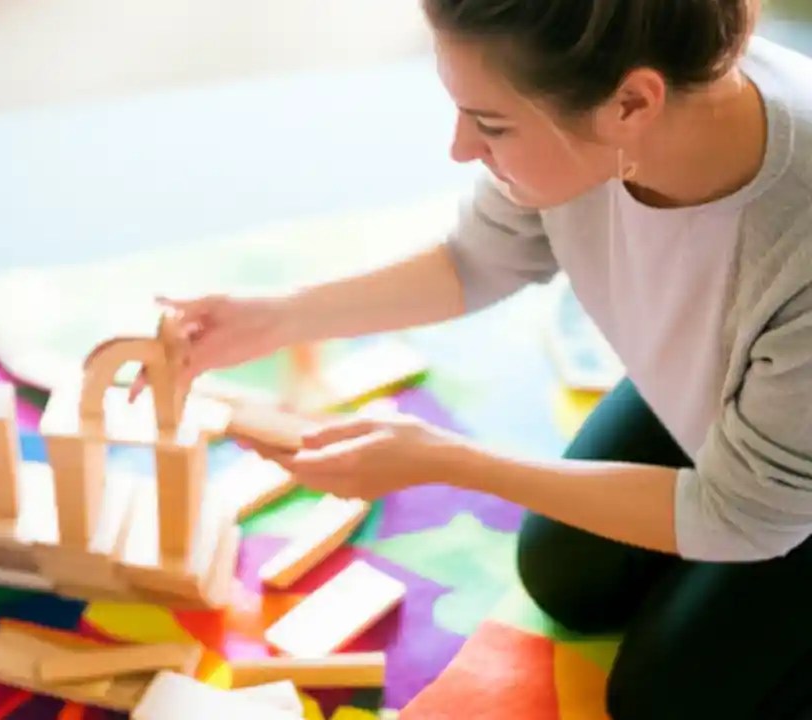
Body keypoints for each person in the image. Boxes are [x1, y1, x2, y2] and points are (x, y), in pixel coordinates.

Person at [148, 2, 812, 718]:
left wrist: (453, 461)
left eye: (491, 124)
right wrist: (276, 316)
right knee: (564, 576)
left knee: (664, 702)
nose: (461, 148)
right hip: (745, 404)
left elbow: (744, 516)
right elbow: (476, 259)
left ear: (631, 104)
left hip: (787, 489)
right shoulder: (611, 107)